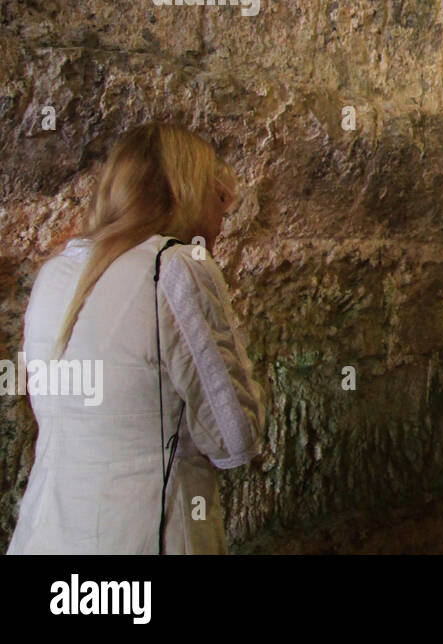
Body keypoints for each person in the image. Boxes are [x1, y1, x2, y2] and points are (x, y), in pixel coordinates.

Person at [6, 122, 266, 554]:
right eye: (217, 194)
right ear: (186, 190)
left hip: (46, 537)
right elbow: (234, 439)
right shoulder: (176, 268)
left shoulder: (54, 272)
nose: (224, 214)